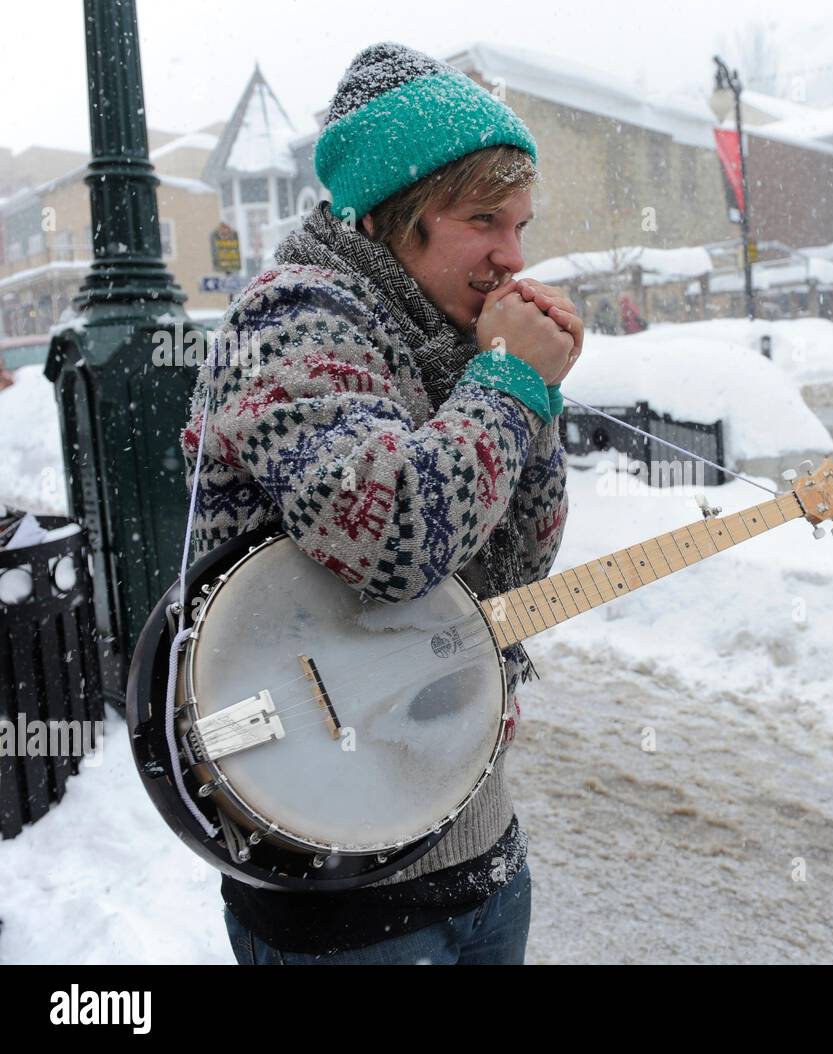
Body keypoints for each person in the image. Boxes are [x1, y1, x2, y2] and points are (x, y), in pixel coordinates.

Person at [179, 42, 583, 965]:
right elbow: (397, 538)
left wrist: (532, 396)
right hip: (340, 892)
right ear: (393, 221)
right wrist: (511, 382)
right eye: (485, 219)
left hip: (474, 843)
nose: (513, 256)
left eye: (521, 224)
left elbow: (518, 565)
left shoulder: (451, 336)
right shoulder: (295, 321)